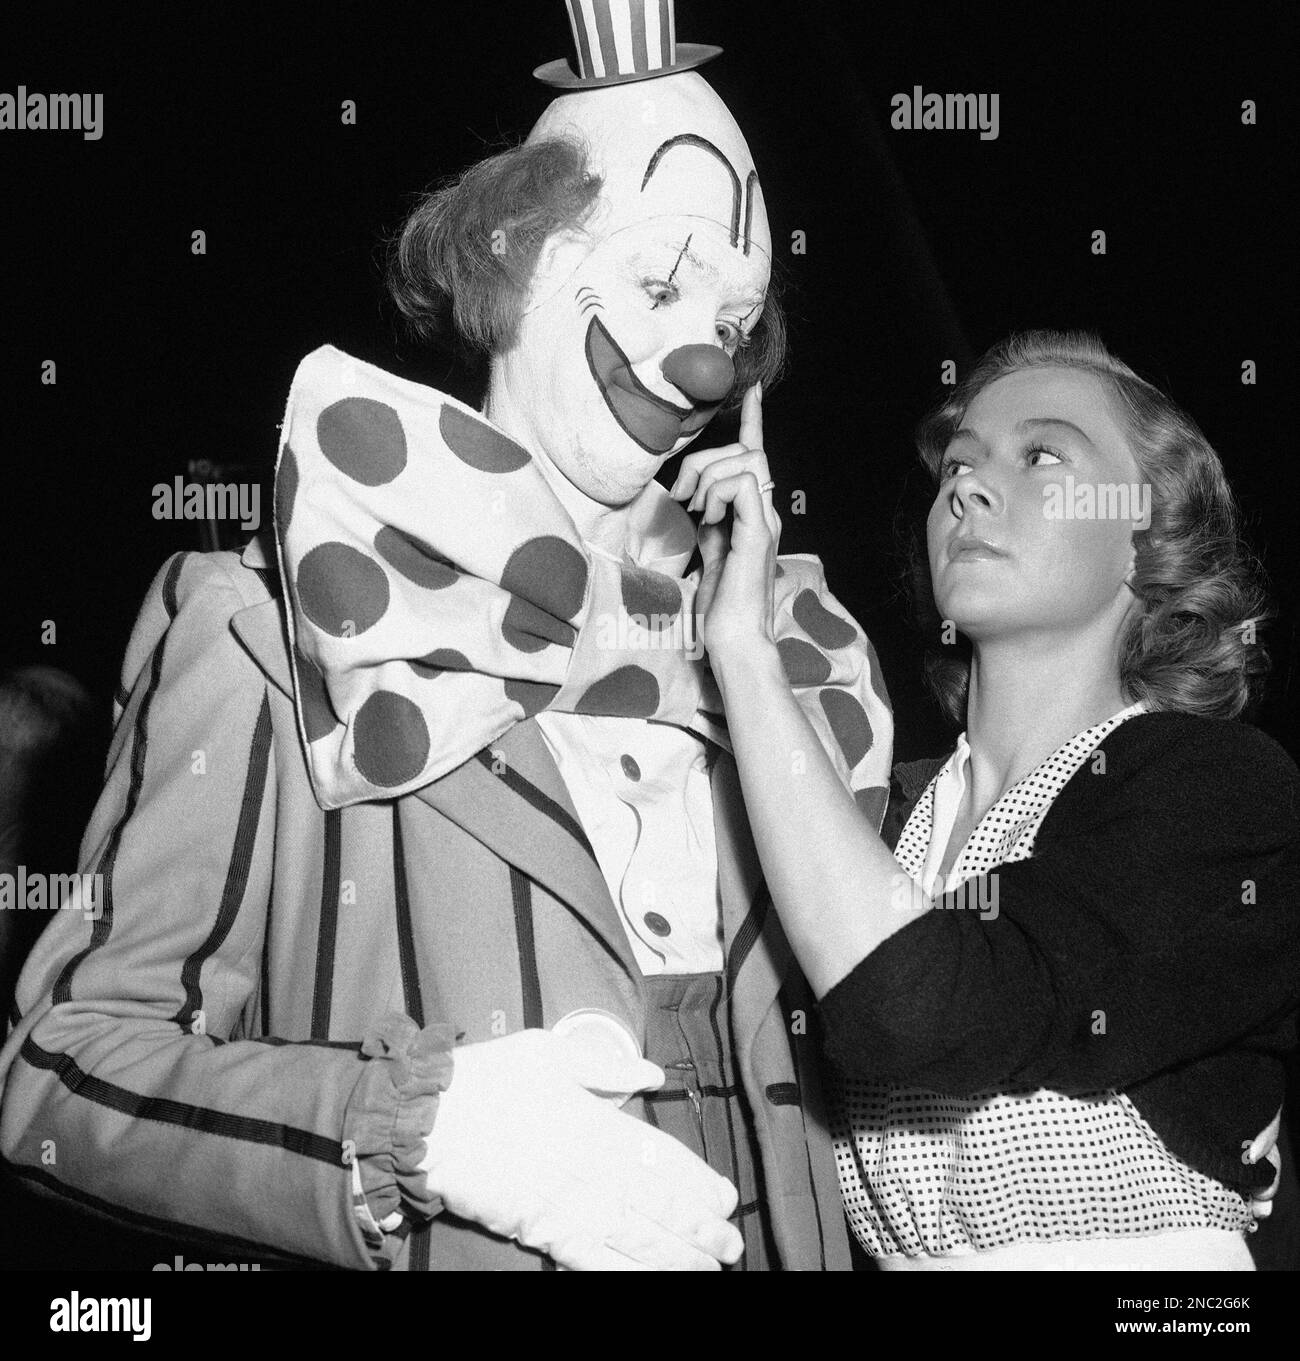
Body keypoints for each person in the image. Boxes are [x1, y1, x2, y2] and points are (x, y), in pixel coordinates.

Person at [0, 2, 893, 1271]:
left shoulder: (775, 659)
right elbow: (59, 1074)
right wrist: (407, 1134)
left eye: (737, 322)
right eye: (659, 282)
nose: (707, 362)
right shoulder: (272, 626)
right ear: (513, 257)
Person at [683, 329, 1299, 1269]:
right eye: (956, 466)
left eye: (1042, 454)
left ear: (1153, 528)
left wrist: (745, 656)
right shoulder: (879, 807)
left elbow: (919, 1005)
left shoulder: (1226, 795)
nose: (966, 487)